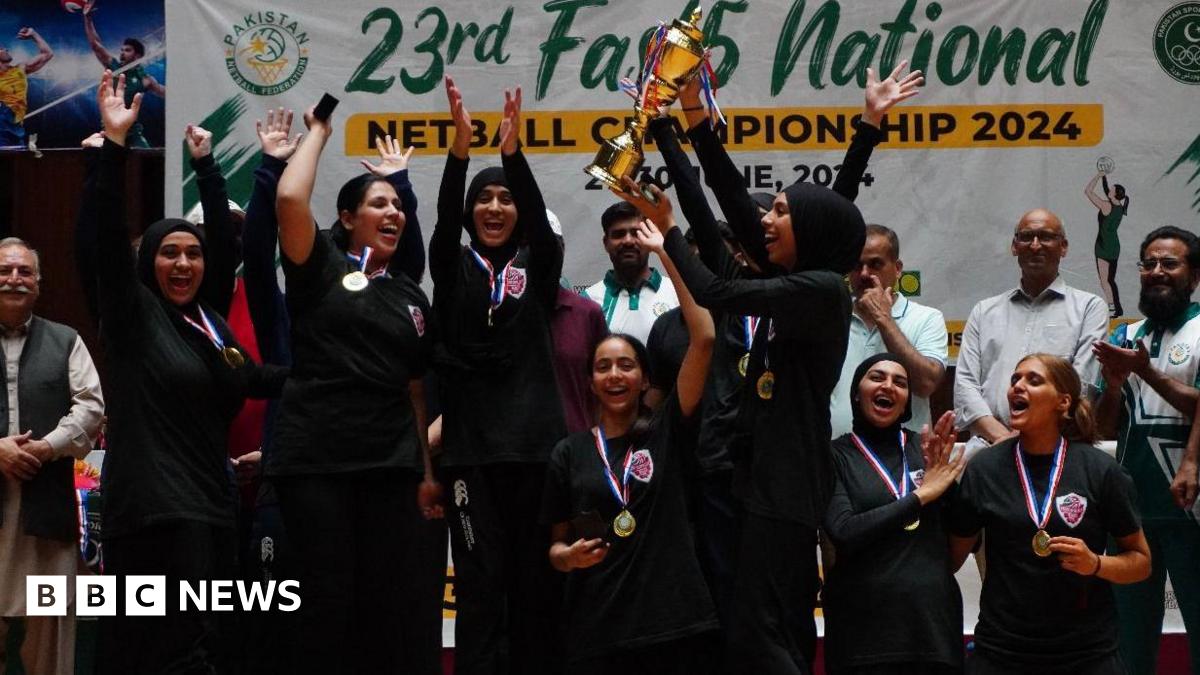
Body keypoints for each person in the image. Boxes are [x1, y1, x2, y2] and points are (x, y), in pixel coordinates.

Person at [616, 146, 865, 673]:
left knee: (764, 629)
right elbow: (719, 216)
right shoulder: (792, 284)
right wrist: (675, 126)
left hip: (788, 482)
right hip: (759, 480)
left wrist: (668, 240)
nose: (766, 222)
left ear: (812, 227)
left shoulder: (820, 288)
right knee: (752, 626)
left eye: (779, 211)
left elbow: (713, 286)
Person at [85, 70, 286, 674]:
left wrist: (344, 374)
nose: (184, 262)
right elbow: (100, 239)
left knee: (208, 646)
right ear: (147, 264)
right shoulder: (132, 316)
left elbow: (259, 377)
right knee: (159, 652)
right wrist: (114, 150)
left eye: (192, 253)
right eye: (169, 252)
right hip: (152, 513)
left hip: (210, 510)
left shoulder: (211, 325)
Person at [269, 95, 441, 674]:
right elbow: (290, 198)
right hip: (316, 459)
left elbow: (417, 389)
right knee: (326, 598)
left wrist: (425, 472)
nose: (393, 212)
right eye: (378, 203)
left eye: (398, 205)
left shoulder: (411, 294)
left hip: (389, 465)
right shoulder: (319, 265)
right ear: (347, 219)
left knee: (383, 603)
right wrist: (318, 132)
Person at [542, 213, 717, 674]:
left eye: (626, 366)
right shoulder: (570, 453)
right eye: (603, 367)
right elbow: (555, 551)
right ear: (590, 382)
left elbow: (704, 338)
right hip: (597, 628)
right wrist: (568, 557)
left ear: (645, 380)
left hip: (674, 624)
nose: (615, 375)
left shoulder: (666, 431)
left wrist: (667, 251)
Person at [431, 77, 565, 674]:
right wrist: (461, 150)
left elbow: (539, 223)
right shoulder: (452, 265)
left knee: (536, 586)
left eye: (505, 198)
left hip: (535, 449)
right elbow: (439, 220)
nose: (493, 207)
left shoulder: (537, 267)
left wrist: (513, 155)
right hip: (470, 454)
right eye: (484, 199)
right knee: (481, 587)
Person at [948, 353, 1151, 674]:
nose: (1018, 386)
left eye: (1034, 380)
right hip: (1002, 652)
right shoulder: (984, 469)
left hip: (1087, 654)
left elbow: (1141, 562)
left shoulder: (1100, 470)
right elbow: (949, 559)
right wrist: (934, 493)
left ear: (1063, 402)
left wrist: (1096, 563)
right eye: (1015, 379)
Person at [1093, 226, 1200, 675]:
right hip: (1132, 513)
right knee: (1130, 643)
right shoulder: (1124, 334)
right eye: (1149, 264)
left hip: (1191, 512)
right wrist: (1115, 386)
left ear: (1193, 275)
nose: (1156, 272)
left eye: (1169, 264)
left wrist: (1147, 372)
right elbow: (1101, 426)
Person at [823, 354, 963, 675]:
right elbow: (844, 532)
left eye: (900, 382)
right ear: (856, 394)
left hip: (932, 630)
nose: (888, 385)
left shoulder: (927, 451)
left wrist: (949, 485)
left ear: (906, 404)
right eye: (876, 377)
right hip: (861, 635)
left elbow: (964, 528)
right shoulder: (833, 456)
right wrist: (920, 496)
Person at [0, 239, 103, 675]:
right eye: (5, 270)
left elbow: (91, 406)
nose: (14, 279)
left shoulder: (66, 340)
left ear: (39, 285)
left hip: (48, 501)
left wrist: (48, 446)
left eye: (25, 272)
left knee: (52, 643)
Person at [954, 208, 1108, 444]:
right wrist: (1003, 439)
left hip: (1057, 447)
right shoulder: (984, 311)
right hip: (988, 449)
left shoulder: (1090, 308)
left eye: (1046, 237)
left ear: (1063, 247)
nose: (1035, 245)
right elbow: (965, 385)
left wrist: (1034, 438)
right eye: (1026, 237)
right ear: (1014, 246)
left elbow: (1080, 386)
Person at [831, 224, 947, 438]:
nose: (865, 274)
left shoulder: (927, 318)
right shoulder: (831, 318)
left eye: (875, 264)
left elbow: (925, 384)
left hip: (904, 459)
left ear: (897, 268)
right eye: (857, 266)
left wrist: (884, 319)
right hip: (837, 456)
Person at [547, 211, 609, 434]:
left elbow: (607, 387)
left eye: (550, 244)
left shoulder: (588, 313)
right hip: (517, 456)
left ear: (562, 248)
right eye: (530, 244)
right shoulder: (501, 313)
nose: (542, 252)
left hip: (578, 453)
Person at [583, 201, 680, 343]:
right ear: (606, 243)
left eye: (636, 233)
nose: (628, 241)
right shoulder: (588, 300)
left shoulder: (678, 295)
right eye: (619, 234)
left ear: (649, 237)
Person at [83, 1, 164, 148]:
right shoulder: (113, 66)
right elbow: (96, 45)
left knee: (147, 159)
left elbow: (166, 93)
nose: (122, 53)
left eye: (127, 50)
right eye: (121, 50)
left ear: (138, 55)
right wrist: (87, 18)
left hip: (133, 134)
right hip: (110, 132)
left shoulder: (145, 79)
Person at [1085, 170, 1130, 318]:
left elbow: (1088, 191)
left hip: (1103, 245)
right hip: (1114, 246)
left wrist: (1098, 175)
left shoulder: (1106, 206)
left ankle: (1112, 308)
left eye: (1111, 189)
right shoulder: (1120, 207)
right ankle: (1117, 307)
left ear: (1114, 194)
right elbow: (1106, 191)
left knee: (1104, 281)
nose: (1108, 190)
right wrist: (1104, 178)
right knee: (1111, 280)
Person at [0, 27, 53, 147]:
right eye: (1, 49)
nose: (6, 49)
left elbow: (47, 54)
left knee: (17, 161)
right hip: (2, 121)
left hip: (16, 126)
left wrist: (34, 34)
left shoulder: (20, 69)